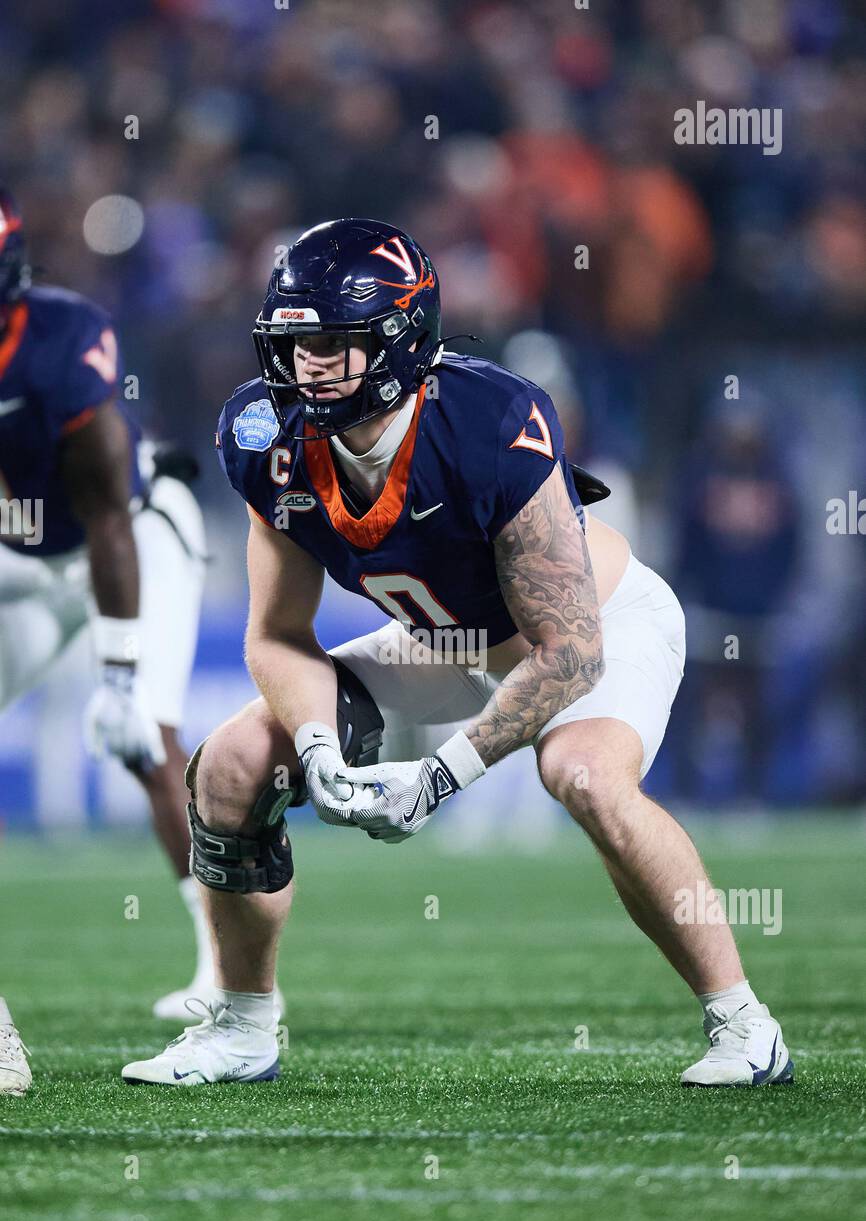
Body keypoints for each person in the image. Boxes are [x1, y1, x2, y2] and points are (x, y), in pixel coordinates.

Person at [124, 217, 792, 1089]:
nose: (305, 364)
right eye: (291, 343)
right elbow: (278, 636)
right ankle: (244, 1029)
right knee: (233, 765)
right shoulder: (267, 441)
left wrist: (441, 776)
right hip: (446, 640)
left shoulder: (487, 423)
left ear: (399, 337)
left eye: (331, 341)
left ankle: (746, 1024)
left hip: (601, 625)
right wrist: (320, 749)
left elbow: (570, 652)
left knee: (584, 776)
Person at [0, 187, 215, 1049]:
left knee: (148, 737)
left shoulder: (58, 341)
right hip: (21, 556)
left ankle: (224, 964)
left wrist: (119, 672)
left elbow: (108, 514)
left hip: (127, 538)